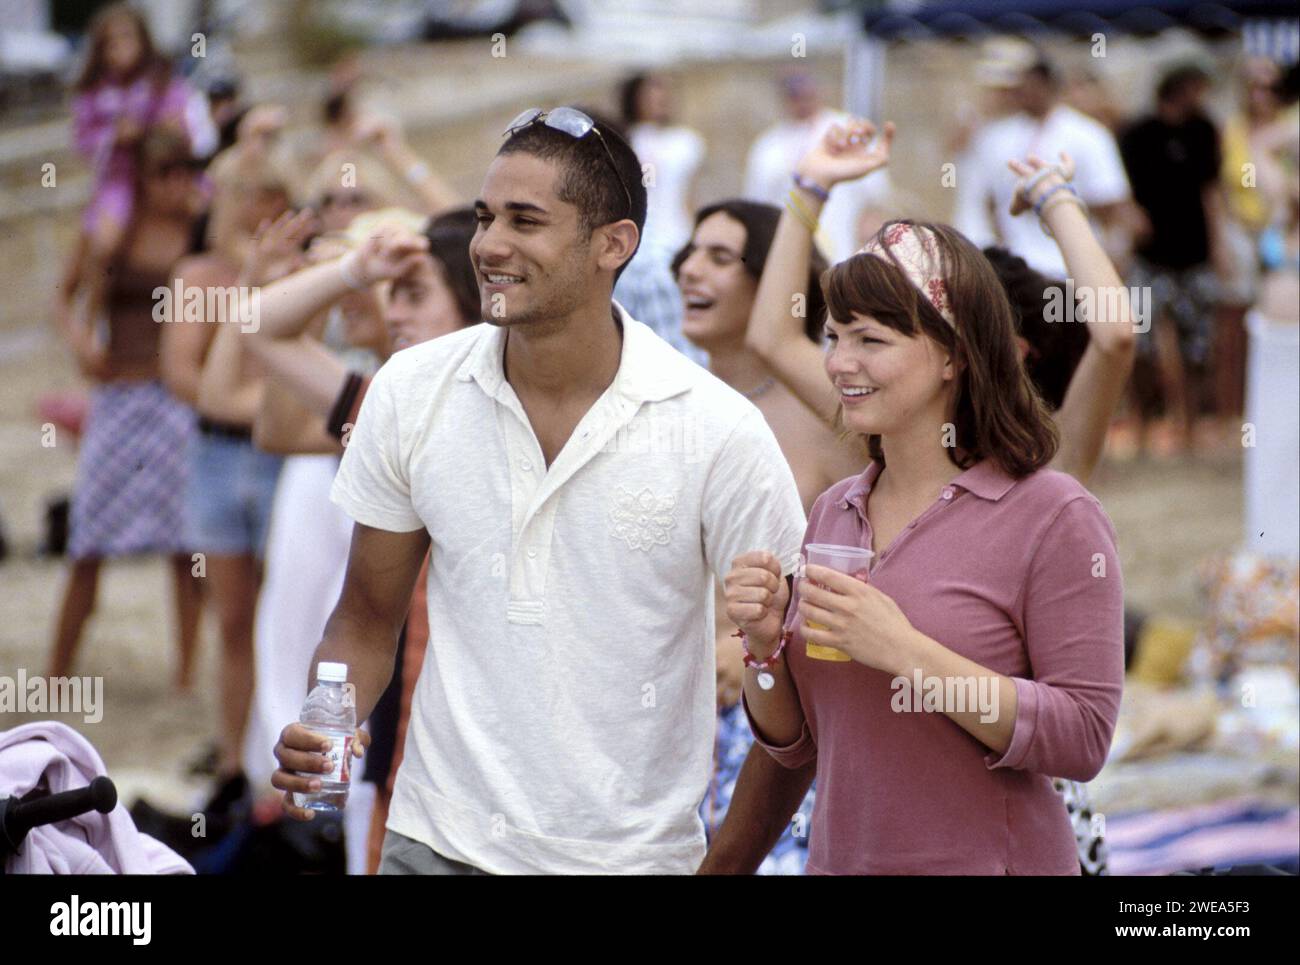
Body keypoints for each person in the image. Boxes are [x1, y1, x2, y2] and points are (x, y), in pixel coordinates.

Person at [270, 106, 807, 874]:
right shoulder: (412, 390)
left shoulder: (719, 428)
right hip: (432, 844)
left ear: (612, 244)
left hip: (632, 861)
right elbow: (363, 619)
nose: (488, 244)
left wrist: (723, 868)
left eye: (526, 221)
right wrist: (329, 722)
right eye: (486, 217)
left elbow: (794, 700)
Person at [702, 121, 1135, 875]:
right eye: (834, 336)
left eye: (869, 339)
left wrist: (904, 650)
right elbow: (799, 743)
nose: (839, 362)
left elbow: (1083, 737)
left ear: (952, 356)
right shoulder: (837, 510)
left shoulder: (1053, 512)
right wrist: (766, 646)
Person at [240, 207, 481, 873]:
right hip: (396, 746)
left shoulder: (529, 425)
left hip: (492, 764)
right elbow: (260, 326)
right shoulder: (391, 409)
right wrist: (351, 269)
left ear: (475, 305)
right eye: (391, 295)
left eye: (414, 294)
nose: (393, 312)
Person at [672, 199, 865, 872]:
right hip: (667, 707)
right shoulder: (660, 401)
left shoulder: (827, 416)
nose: (691, 270)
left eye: (720, 258)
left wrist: (809, 192)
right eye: (690, 254)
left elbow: (869, 563)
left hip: (784, 715)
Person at [159, 128, 293, 806]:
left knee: (287, 610)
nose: (252, 208)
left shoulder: (296, 271)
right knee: (234, 620)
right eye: (243, 193)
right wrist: (269, 409)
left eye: (265, 194)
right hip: (219, 453)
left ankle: (277, 765)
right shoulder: (198, 276)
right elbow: (182, 374)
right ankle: (235, 763)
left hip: (279, 458)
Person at [48, 128, 204, 683]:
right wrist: (82, 341)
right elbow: (63, 298)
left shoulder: (199, 227)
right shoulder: (112, 229)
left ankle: (185, 673)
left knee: (186, 542)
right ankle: (55, 672)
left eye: (188, 169)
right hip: (118, 392)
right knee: (89, 535)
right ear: (143, 176)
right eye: (167, 172)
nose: (179, 183)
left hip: (177, 395)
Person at [1120, 63, 1230, 455]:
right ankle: (1144, 428)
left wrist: (1220, 244)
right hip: (1150, 259)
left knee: (1199, 347)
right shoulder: (1137, 133)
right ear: (1178, 88)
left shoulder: (1203, 132)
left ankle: (1195, 428)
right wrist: (1131, 220)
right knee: (1141, 347)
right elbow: (1120, 189)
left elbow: (1211, 190)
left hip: (1194, 256)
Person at [953, 53, 1137, 278]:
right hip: (1016, 269)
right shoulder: (997, 136)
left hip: (1070, 269)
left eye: (1035, 85)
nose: (1028, 93)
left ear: (1050, 86)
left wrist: (1108, 263)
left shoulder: (1088, 135)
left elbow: (1110, 205)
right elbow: (988, 200)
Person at [71, 4, 204, 273]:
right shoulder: (94, 91)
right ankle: (97, 302)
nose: (121, 46)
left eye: (127, 36)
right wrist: (115, 136)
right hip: (121, 179)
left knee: (207, 209)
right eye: (112, 41)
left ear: (143, 39)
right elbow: (82, 142)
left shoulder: (162, 79)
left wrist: (156, 127)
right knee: (105, 242)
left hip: (167, 171)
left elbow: (182, 122)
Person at [744, 69, 892, 263]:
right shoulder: (768, 146)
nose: (802, 102)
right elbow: (757, 206)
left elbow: (877, 195)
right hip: (789, 249)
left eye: (807, 94)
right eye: (795, 96)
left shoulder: (847, 129)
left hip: (845, 242)